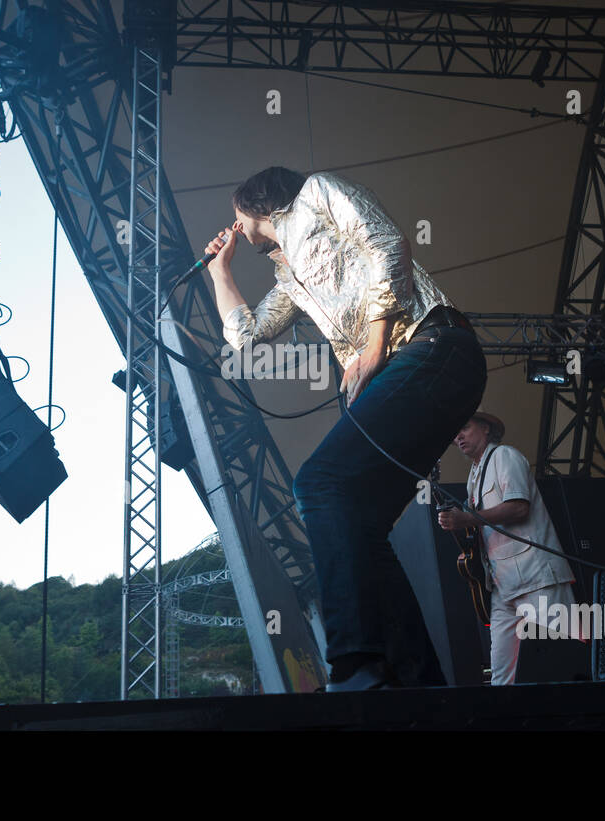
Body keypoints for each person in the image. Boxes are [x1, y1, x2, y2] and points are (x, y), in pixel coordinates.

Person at [203, 167, 486, 690]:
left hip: (432, 346)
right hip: (409, 371)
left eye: (236, 216)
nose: (234, 226)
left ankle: (355, 663)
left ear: (253, 203)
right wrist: (222, 273)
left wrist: (374, 345)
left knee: (318, 483)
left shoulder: (317, 193)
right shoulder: (289, 277)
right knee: (356, 521)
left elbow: (387, 243)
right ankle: (419, 684)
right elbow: (247, 339)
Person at [439, 411, 580, 685]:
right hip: (502, 585)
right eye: (455, 433)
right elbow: (485, 527)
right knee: (502, 676)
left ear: (487, 430)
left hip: (536, 577)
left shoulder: (505, 455)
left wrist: (466, 518)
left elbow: (518, 507)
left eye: (465, 427)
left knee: (563, 659)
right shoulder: (473, 476)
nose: (458, 436)